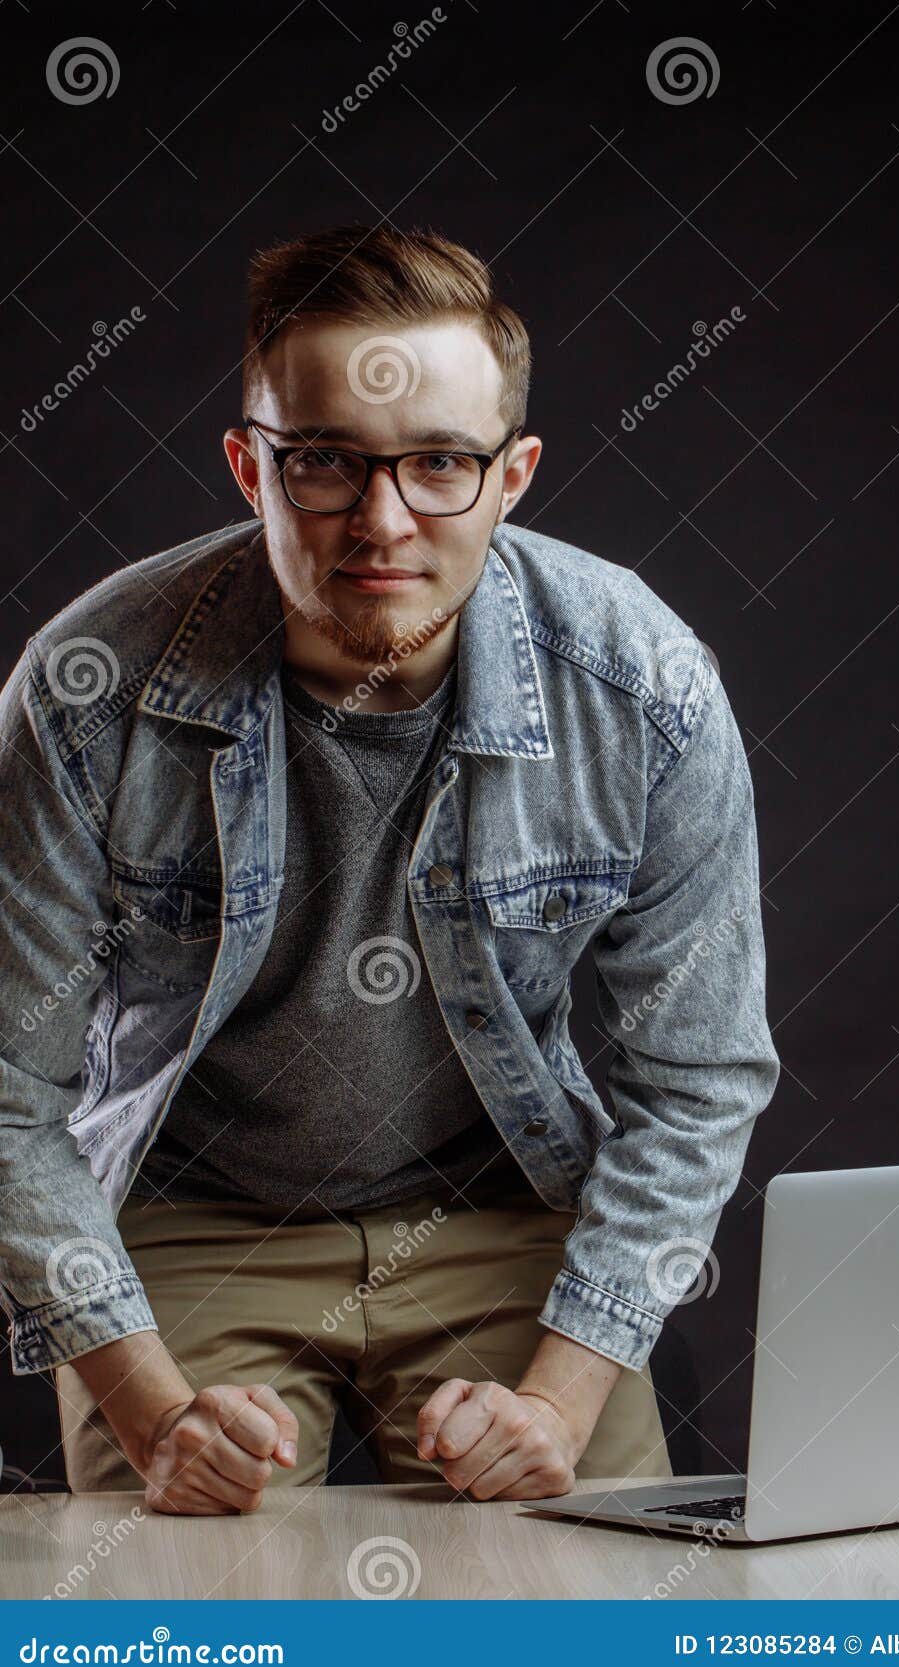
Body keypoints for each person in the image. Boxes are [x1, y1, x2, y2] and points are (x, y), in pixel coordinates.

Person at [0, 221, 779, 1516]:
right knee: (202, 1623)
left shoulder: (646, 688)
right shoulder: (88, 696)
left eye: (438, 464)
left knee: (597, 1618)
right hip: (197, 1216)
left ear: (513, 473)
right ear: (251, 464)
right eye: (325, 465)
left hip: (504, 1208)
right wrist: (151, 1412)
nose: (383, 519)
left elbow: (698, 1077)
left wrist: (561, 1400)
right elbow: (8, 1093)